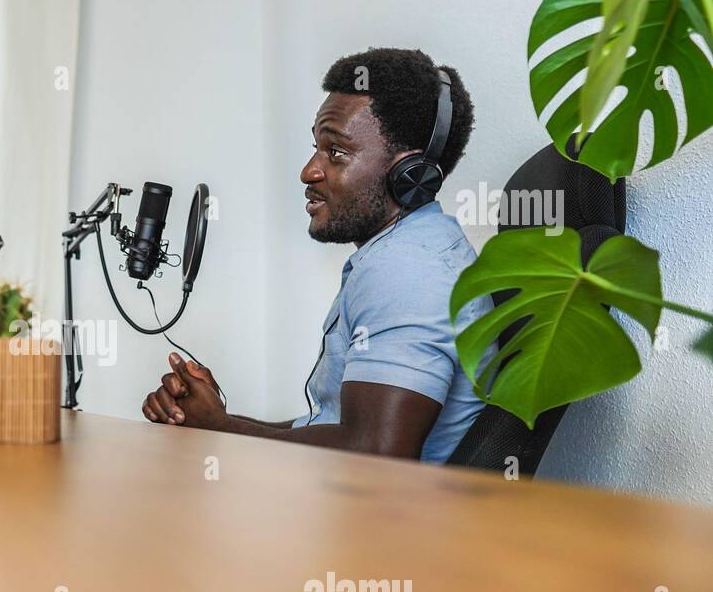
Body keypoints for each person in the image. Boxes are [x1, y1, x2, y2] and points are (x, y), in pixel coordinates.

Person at [141, 48, 493, 463]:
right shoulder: (406, 251)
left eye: (336, 151)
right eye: (316, 147)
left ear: (409, 174)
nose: (309, 171)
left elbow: (378, 456)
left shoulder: (409, 272)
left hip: (384, 524)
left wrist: (222, 431)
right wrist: (213, 419)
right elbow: (335, 427)